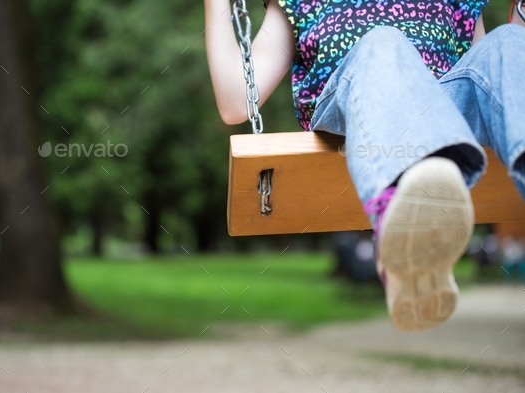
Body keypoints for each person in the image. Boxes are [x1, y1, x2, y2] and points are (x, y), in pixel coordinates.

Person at [204, 0, 525, 331]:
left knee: (509, 41)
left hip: (447, 115)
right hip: (355, 108)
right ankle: (406, 236)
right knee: (383, 41)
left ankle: (421, 224)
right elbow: (236, 101)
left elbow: (489, 76)